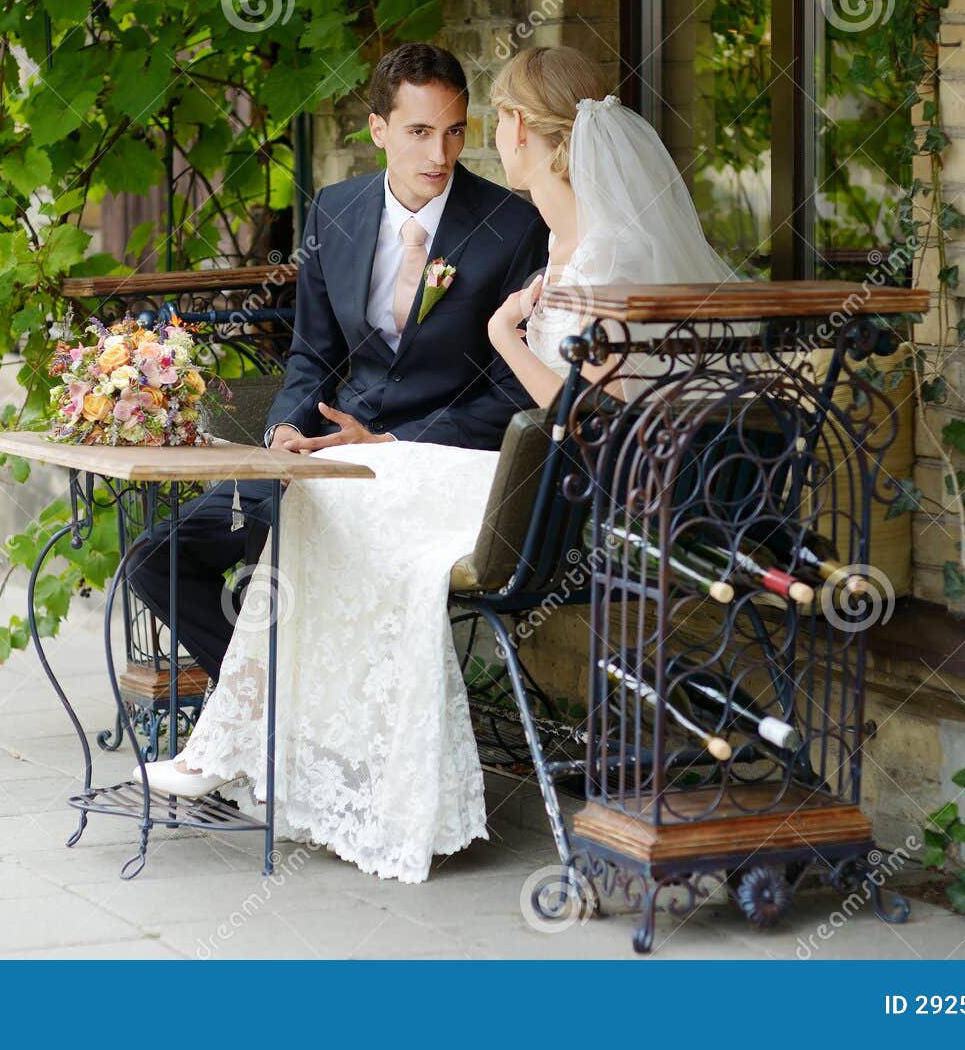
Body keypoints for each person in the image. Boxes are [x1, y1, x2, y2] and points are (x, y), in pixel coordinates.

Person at [136, 46, 737, 884]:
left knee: (330, 516)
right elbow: (310, 354)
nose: (440, 152)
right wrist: (284, 431)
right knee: (159, 559)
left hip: (446, 465)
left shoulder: (522, 229)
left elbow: (531, 402)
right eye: (419, 131)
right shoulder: (338, 211)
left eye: (456, 131)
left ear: (504, 128)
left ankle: (262, 744)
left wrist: (395, 441)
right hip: (337, 456)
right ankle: (290, 732)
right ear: (377, 128)